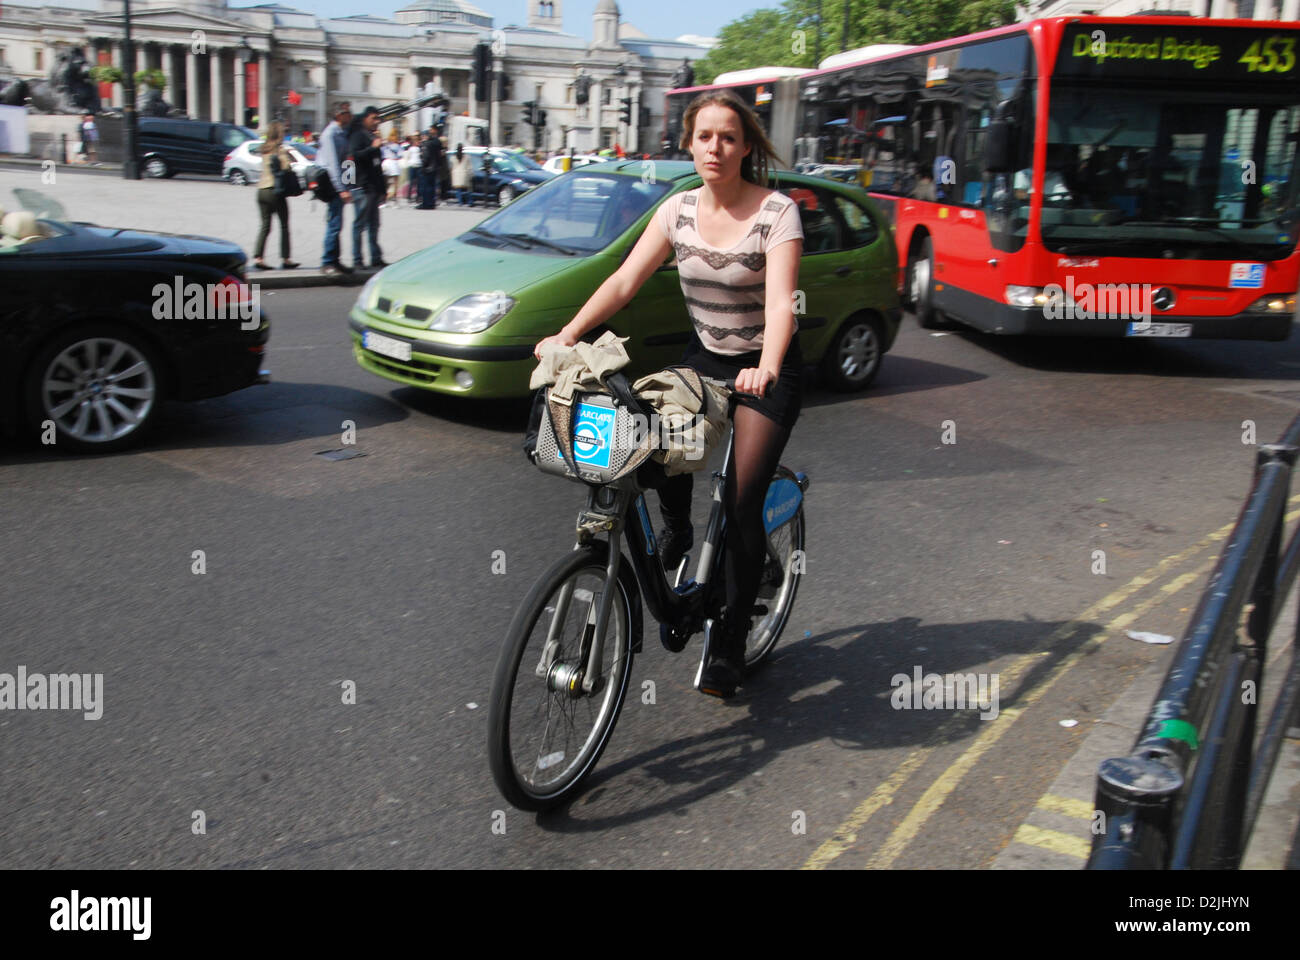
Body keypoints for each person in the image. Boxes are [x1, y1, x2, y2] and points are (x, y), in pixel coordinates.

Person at [532, 90, 803, 699]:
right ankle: (678, 530)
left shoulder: (777, 212)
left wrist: (767, 364)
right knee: (650, 439)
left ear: (746, 146)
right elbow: (625, 278)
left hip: (767, 367)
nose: (716, 147)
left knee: (739, 503)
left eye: (729, 137)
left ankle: (730, 640)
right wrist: (568, 335)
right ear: (689, 142)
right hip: (705, 358)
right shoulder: (676, 210)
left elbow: (784, 302)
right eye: (705, 136)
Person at [252, 120, 298, 270]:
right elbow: (285, 167)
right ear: (280, 134)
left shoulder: (264, 149)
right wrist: (289, 157)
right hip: (275, 191)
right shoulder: (279, 150)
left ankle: (258, 257)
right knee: (284, 225)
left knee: (265, 226)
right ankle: (286, 259)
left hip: (261, 191)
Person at [317, 101, 354, 276]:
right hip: (331, 185)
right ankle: (327, 262)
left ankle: (336, 261)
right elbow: (333, 165)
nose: (350, 115)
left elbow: (347, 160)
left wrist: (349, 184)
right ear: (339, 115)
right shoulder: (330, 134)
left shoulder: (342, 133)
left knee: (338, 224)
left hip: (339, 185)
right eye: (347, 113)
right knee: (333, 224)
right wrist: (341, 189)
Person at [348, 105, 387, 269]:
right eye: (373, 118)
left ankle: (375, 257)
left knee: (374, 224)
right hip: (362, 187)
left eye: (378, 119)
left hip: (374, 188)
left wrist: (383, 189)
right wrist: (373, 147)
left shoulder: (372, 136)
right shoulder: (358, 135)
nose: (376, 122)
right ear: (365, 118)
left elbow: (378, 166)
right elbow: (354, 156)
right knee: (360, 224)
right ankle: (357, 259)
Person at [419, 126, 442, 209]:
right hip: (435, 166)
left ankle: (426, 203)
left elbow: (425, 156)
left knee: (426, 186)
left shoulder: (427, 144)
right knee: (432, 186)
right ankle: (431, 203)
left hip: (427, 167)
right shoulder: (437, 142)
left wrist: (423, 165)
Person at [381, 130, 402, 205]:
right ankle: (394, 200)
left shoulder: (385, 145)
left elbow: (382, 154)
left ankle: (384, 200)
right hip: (394, 162)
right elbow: (400, 155)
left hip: (386, 162)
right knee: (395, 182)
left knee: (385, 182)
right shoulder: (397, 146)